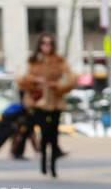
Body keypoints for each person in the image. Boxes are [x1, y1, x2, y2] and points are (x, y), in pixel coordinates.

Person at [16, 33, 76, 176]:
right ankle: (43, 162)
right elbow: (20, 79)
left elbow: (71, 79)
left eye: (49, 43)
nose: (46, 46)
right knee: (44, 131)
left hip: (55, 101)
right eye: (44, 43)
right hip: (38, 101)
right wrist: (35, 80)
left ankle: (53, 165)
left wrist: (57, 85)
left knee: (54, 132)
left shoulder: (59, 60)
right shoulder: (32, 61)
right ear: (39, 45)